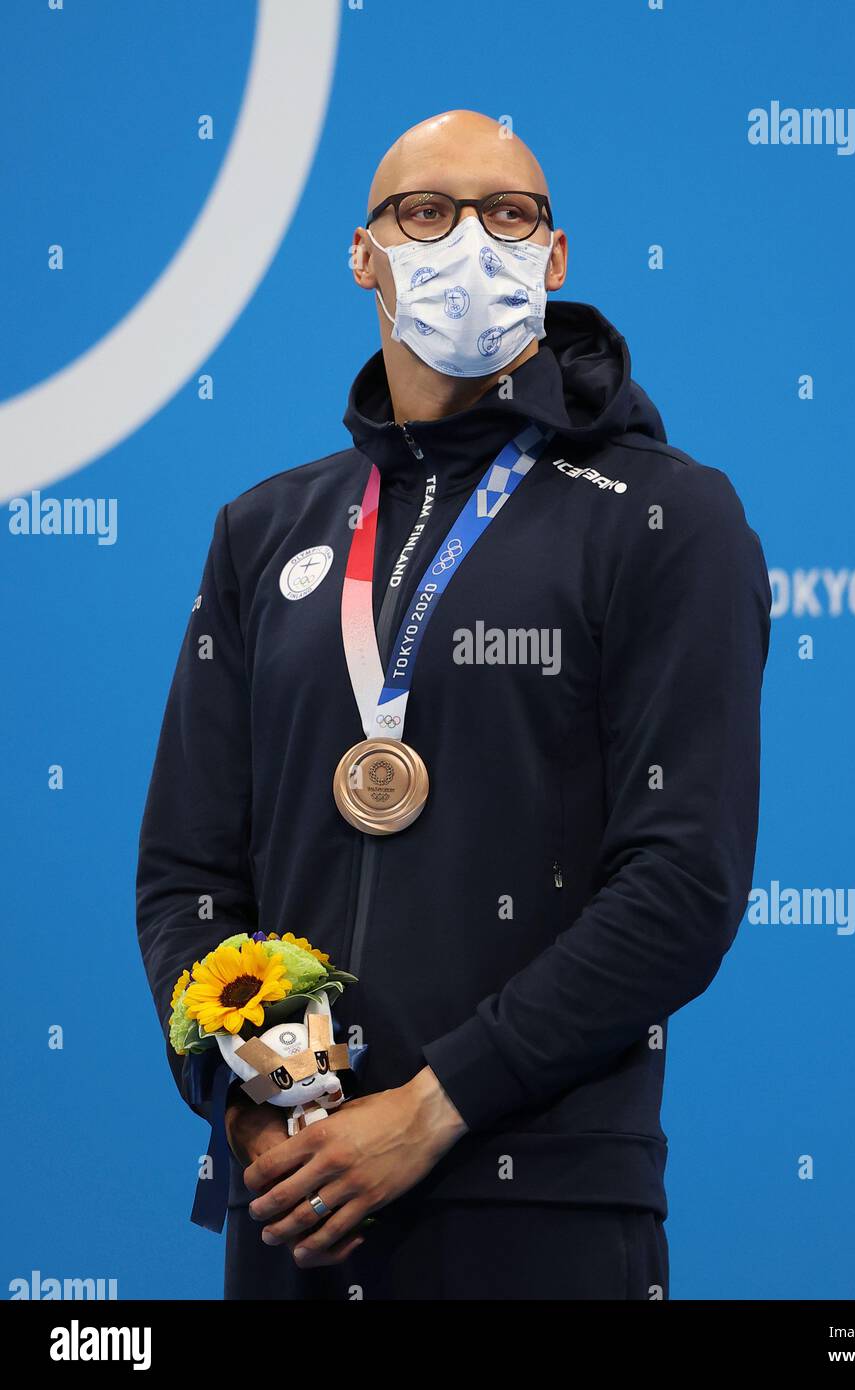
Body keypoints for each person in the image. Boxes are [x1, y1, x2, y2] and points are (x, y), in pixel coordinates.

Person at [136, 109, 772, 1301]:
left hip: (546, 1206)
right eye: (425, 213)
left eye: (509, 214)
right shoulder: (265, 529)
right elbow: (185, 874)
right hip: (295, 1208)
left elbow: (681, 881)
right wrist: (248, 1101)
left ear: (556, 256)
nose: (470, 241)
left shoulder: (661, 516)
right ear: (363, 254)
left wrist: (434, 1107)